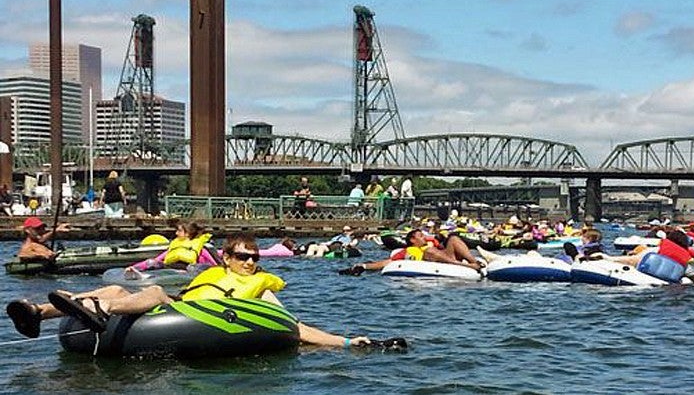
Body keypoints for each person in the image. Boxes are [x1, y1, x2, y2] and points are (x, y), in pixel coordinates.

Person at [6, 233, 374, 348]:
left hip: (196, 317)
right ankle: (39, 312)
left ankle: (103, 313)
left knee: (158, 296)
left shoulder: (260, 287)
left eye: (254, 258)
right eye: (243, 257)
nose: (250, 263)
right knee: (117, 286)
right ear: (227, 257)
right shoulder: (209, 275)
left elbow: (292, 327)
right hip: (185, 307)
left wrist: (343, 342)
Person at [341, 228, 483, 275]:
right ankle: (470, 266)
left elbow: (444, 249)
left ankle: (474, 262)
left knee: (453, 239)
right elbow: (388, 262)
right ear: (413, 240)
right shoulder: (408, 251)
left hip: (447, 257)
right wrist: (365, 266)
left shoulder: (432, 244)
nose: (425, 237)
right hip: (436, 261)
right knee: (429, 252)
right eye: (420, 236)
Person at [126, 222, 218, 274]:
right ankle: (135, 270)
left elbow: (214, 264)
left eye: (179, 231)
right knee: (151, 262)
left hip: (190, 269)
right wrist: (134, 267)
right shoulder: (175, 246)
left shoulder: (201, 249)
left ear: (187, 234)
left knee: (192, 268)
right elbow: (157, 259)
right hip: (173, 269)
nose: (176, 233)